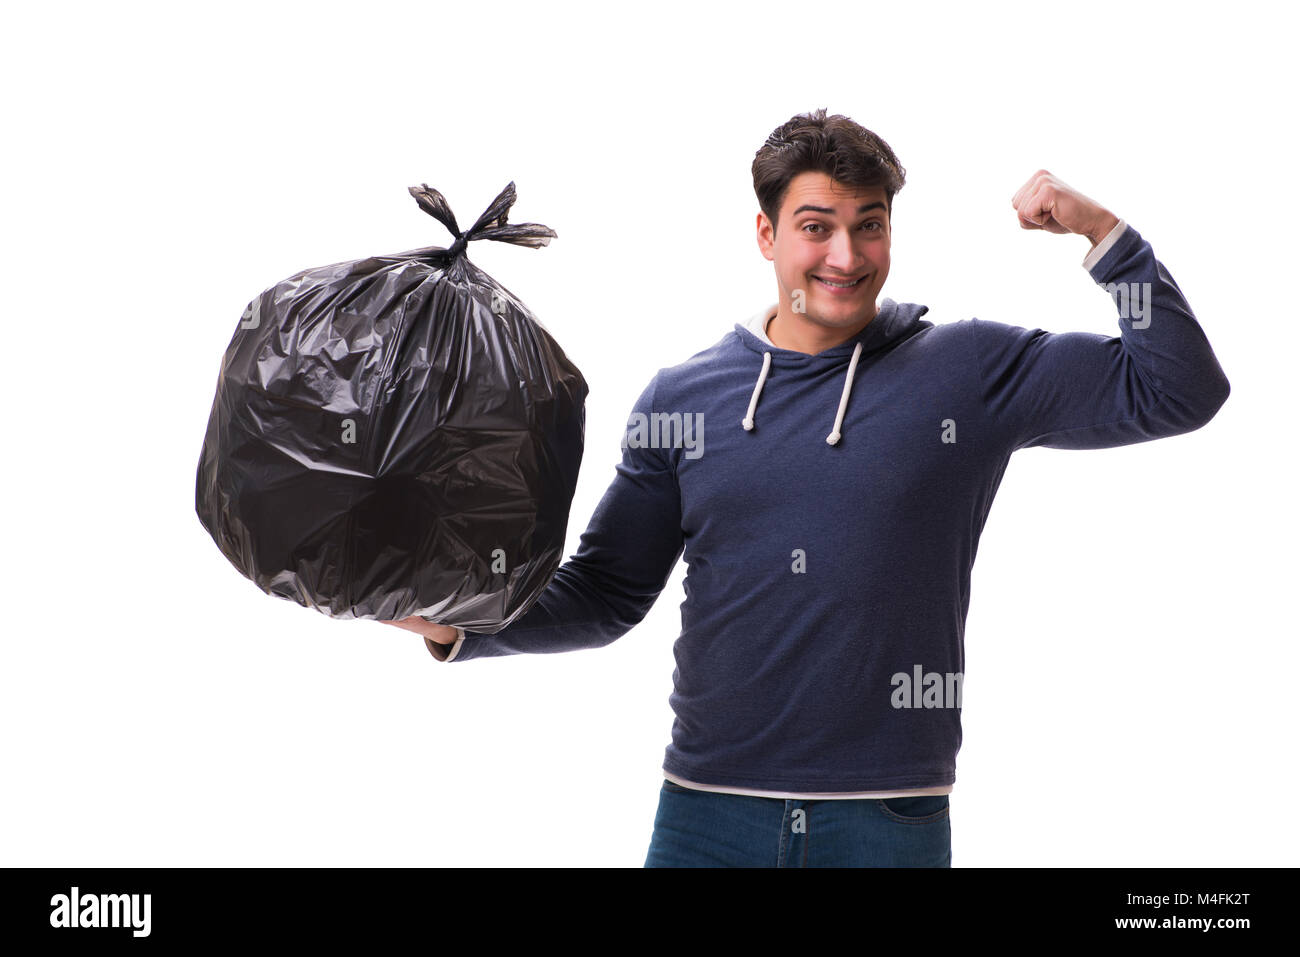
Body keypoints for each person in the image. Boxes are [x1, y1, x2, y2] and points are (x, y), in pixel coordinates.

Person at [382, 108, 1231, 867]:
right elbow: (606, 591)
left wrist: (1106, 236)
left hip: (887, 821)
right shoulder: (684, 400)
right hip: (706, 814)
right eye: (817, 226)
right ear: (766, 233)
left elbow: (1180, 388)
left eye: (870, 226)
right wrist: (460, 627)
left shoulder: (968, 370)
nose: (846, 256)